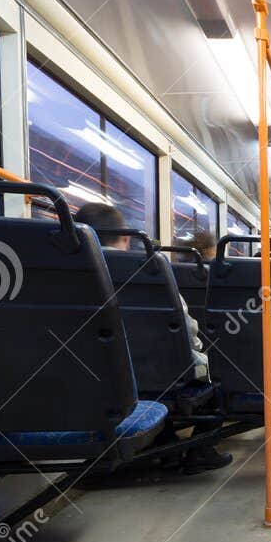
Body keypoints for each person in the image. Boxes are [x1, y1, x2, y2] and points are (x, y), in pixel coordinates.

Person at [74, 201, 231, 474]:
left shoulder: (68, 274)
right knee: (220, 372)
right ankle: (199, 450)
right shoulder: (149, 270)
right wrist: (198, 351)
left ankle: (166, 443)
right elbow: (186, 329)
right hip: (163, 370)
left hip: (95, 373)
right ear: (125, 237)